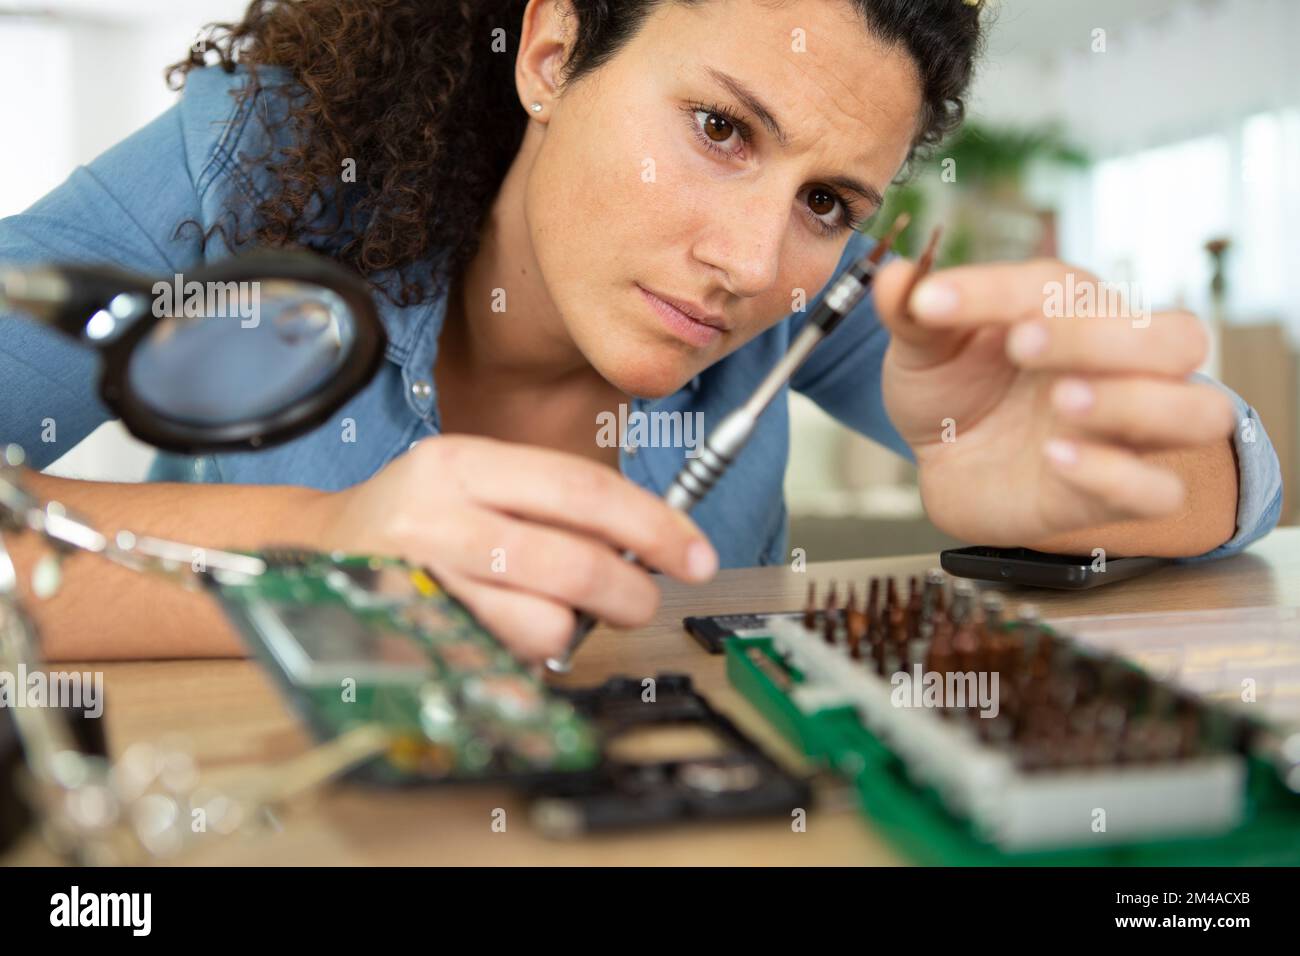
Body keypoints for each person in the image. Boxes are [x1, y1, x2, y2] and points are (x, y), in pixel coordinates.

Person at [0, 0, 1282, 663]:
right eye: (720, 129)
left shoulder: (819, 288)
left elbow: (1240, 485)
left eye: (827, 201)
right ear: (552, 51)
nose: (746, 264)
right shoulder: (254, 165)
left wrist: (1106, 476)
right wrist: (330, 556)